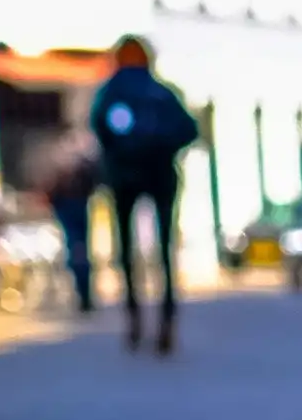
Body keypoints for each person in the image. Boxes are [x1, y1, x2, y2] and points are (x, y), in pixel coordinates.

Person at [88, 38, 200, 356]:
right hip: (161, 174)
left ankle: (134, 317)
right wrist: (162, 149)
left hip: (124, 177)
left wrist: (119, 155)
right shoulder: (162, 93)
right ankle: (166, 318)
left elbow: (99, 126)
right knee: (164, 249)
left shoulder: (111, 92)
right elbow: (189, 129)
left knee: (127, 249)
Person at [40, 125, 99, 314]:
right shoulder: (75, 158)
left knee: (76, 248)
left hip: (72, 206)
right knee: (78, 248)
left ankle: (84, 293)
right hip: (72, 206)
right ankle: (83, 293)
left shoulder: (68, 159)